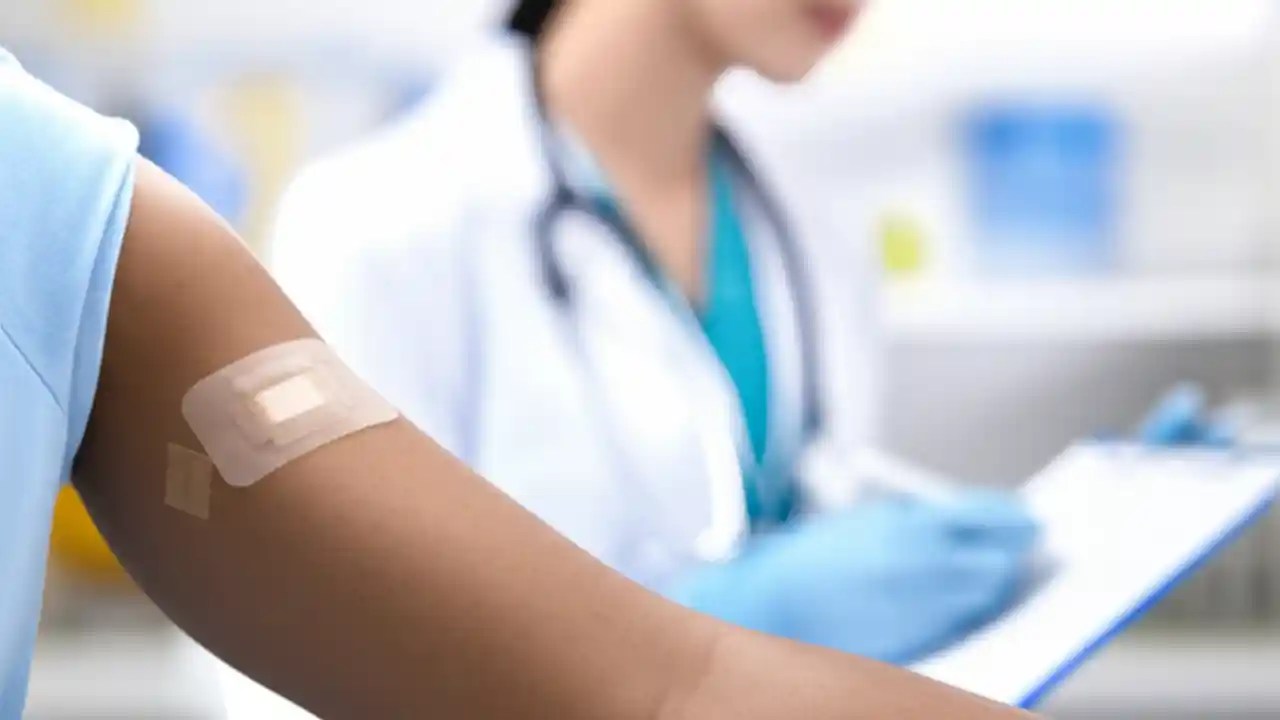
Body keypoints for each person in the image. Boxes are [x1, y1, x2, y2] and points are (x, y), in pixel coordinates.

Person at [0, 44, 1044, 720]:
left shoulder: (62, 200)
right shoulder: (381, 216)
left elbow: (672, 677)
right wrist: (727, 622)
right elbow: (289, 680)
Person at [272, 0, 1039, 663]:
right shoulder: (371, 228)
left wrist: (1062, 546)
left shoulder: (815, 237)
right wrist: (697, 639)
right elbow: (323, 664)